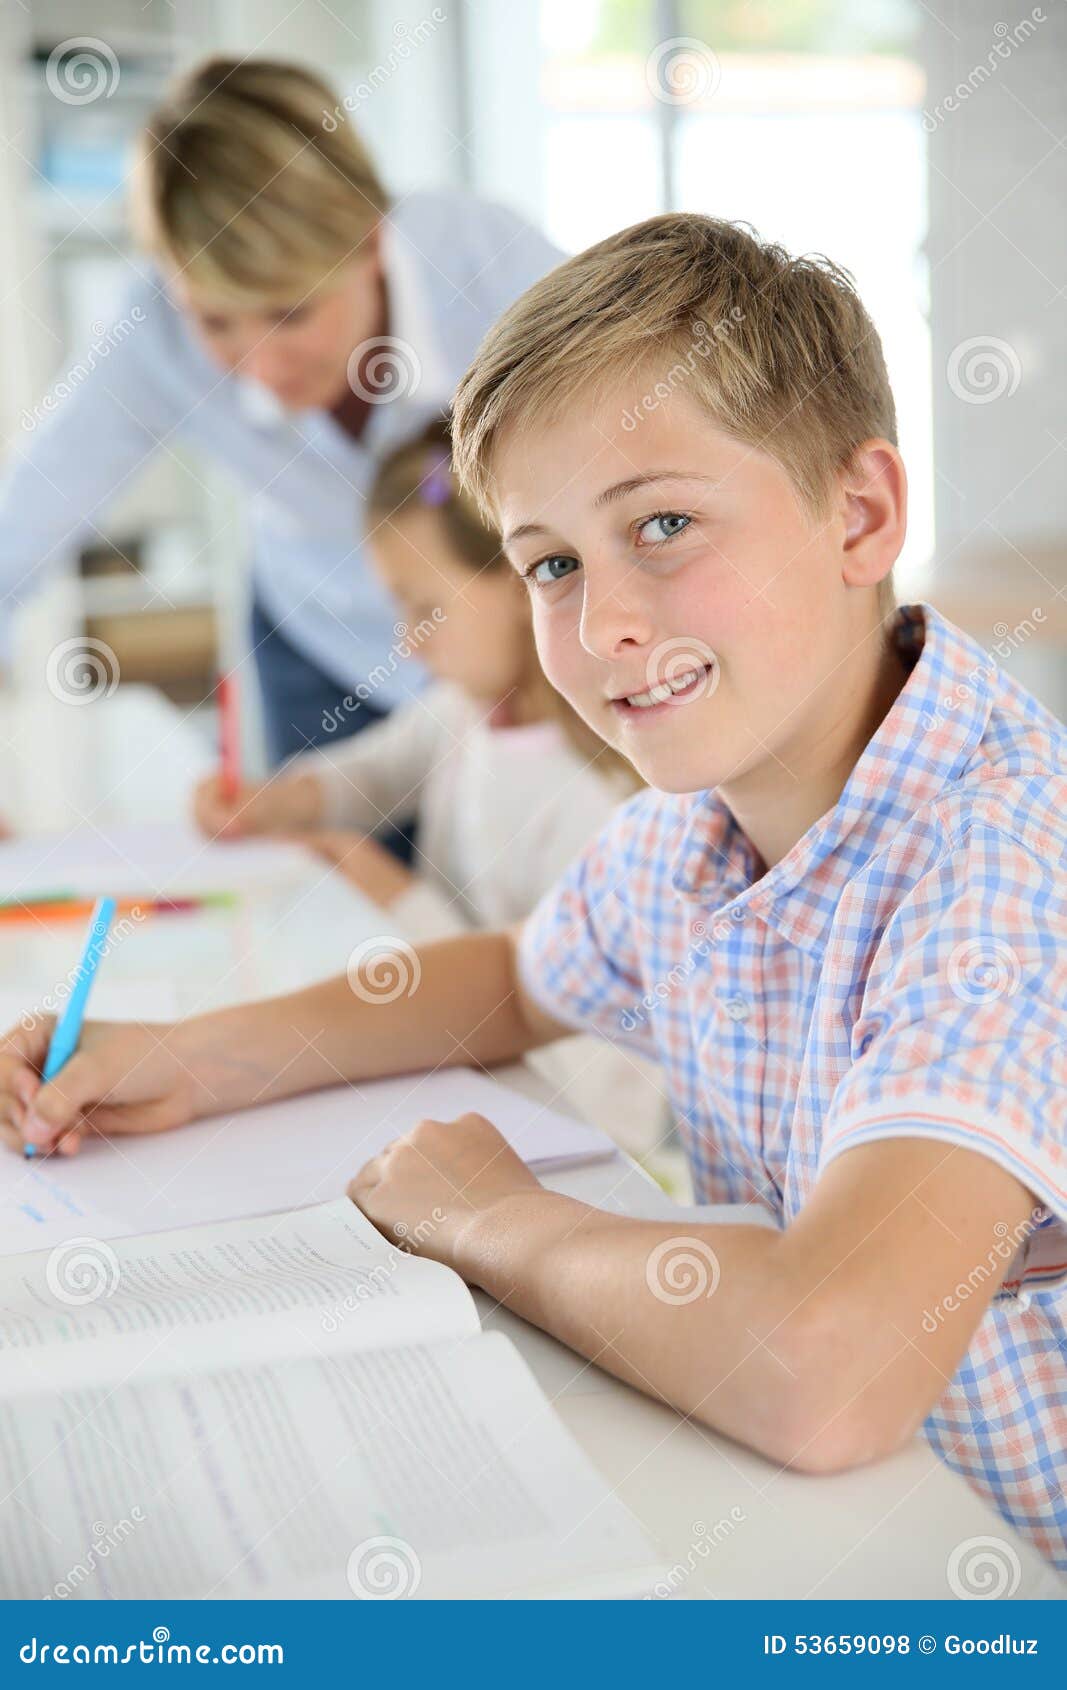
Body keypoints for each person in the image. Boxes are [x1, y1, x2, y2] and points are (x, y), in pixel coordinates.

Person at [2, 215, 1064, 1571]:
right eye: (551, 562)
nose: (601, 624)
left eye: (664, 525)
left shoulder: (995, 870)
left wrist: (487, 1216)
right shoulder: (697, 819)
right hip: (819, 1528)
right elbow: (513, 974)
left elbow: (823, 1367)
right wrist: (192, 1058)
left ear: (856, 513)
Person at [0, 57, 561, 789]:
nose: (261, 366)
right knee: (329, 884)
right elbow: (22, 524)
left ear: (366, 241)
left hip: (508, 646)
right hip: (321, 647)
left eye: (290, 313)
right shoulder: (149, 333)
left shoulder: (485, 260)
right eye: (217, 322)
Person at [191, 417, 666, 1160]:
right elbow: (376, 770)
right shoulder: (469, 711)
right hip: (464, 1076)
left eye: (424, 608)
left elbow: (584, 1070)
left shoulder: (593, 801)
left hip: (578, 1143)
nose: (407, 642)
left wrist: (398, 897)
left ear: (522, 582)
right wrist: (285, 799)